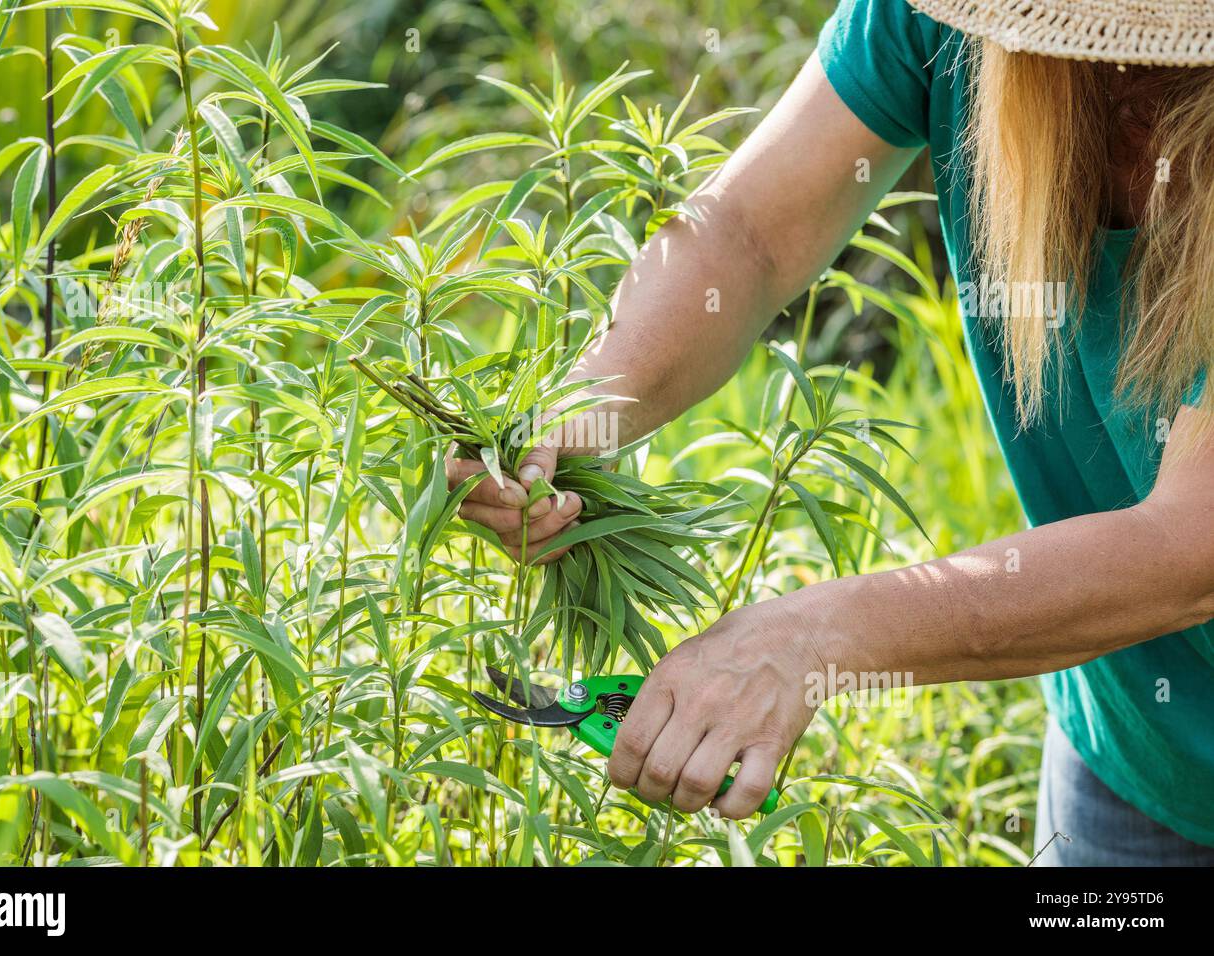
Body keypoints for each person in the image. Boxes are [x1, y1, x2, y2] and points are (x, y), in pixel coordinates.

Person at [447, 0, 1214, 865]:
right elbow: (747, 238)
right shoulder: (943, 24)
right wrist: (584, 405)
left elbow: (1190, 544)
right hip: (1130, 751)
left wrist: (814, 638)